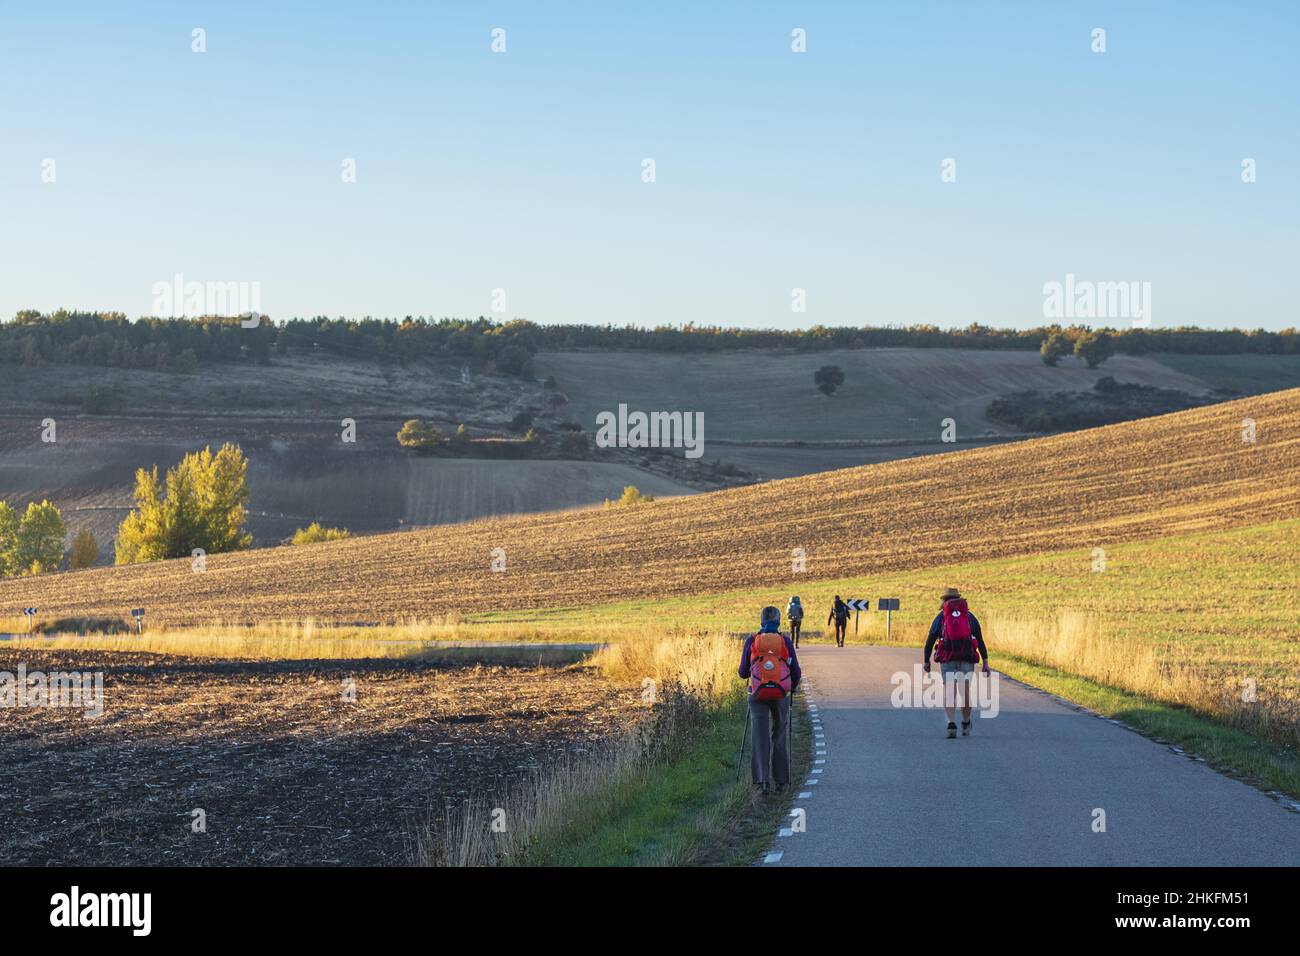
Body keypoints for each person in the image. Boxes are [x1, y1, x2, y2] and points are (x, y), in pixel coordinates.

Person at [738, 605, 801, 791]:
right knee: (779, 734)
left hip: (757, 693)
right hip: (780, 693)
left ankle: (762, 781)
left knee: (760, 735)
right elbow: (796, 671)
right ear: (779, 621)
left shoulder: (752, 640)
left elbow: (742, 672)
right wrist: (792, 688)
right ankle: (781, 781)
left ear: (761, 621)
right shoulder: (785, 641)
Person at [923, 588, 990, 738]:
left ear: (944, 601)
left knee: (949, 691)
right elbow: (979, 640)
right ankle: (966, 723)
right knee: (965, 691)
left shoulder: (941, 617)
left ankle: (951, 724)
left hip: (948, 659)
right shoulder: (969, 617)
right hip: (966, 659)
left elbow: (930, 640)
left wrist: (926, 661)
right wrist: (985, 662)